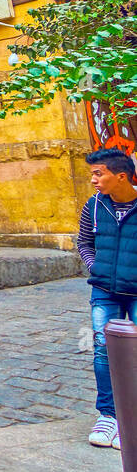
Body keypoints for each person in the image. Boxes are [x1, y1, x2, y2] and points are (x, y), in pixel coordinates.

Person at [78, 148, 137, 448]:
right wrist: (96, 268)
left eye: (98, 173)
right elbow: (84, 242)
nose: (93, 180)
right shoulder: (94, 205)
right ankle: (109, 417)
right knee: (103, 350)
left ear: (121, 176)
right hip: (104, 291)